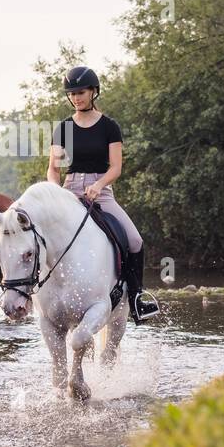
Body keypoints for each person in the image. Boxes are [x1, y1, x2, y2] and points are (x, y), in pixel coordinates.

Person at [49, 66, 159, 322]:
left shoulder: (109, 126)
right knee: (41, 235)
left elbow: (117, 167)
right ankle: (36, 293)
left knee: (135, 241)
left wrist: (99, 185)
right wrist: (55, 191)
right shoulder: (62, 128)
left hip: (102, 191)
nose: (77, 97)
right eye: (72, 93)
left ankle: (135, 298)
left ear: (94, 92)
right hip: (70, 190)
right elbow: (53, 169)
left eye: (82, 92)